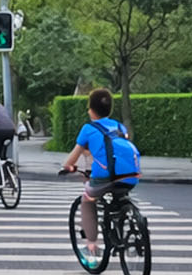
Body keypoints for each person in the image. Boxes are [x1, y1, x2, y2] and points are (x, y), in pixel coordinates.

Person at [59, 87, 140, 260]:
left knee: (87, 199)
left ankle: (91, 245)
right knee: (120, 195)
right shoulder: (119, 126)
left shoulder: (88, 129)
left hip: (105, 177)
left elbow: (74, 156)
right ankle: (129, 224)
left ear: (91, 110)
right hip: (131, 175)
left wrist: (67, 167)